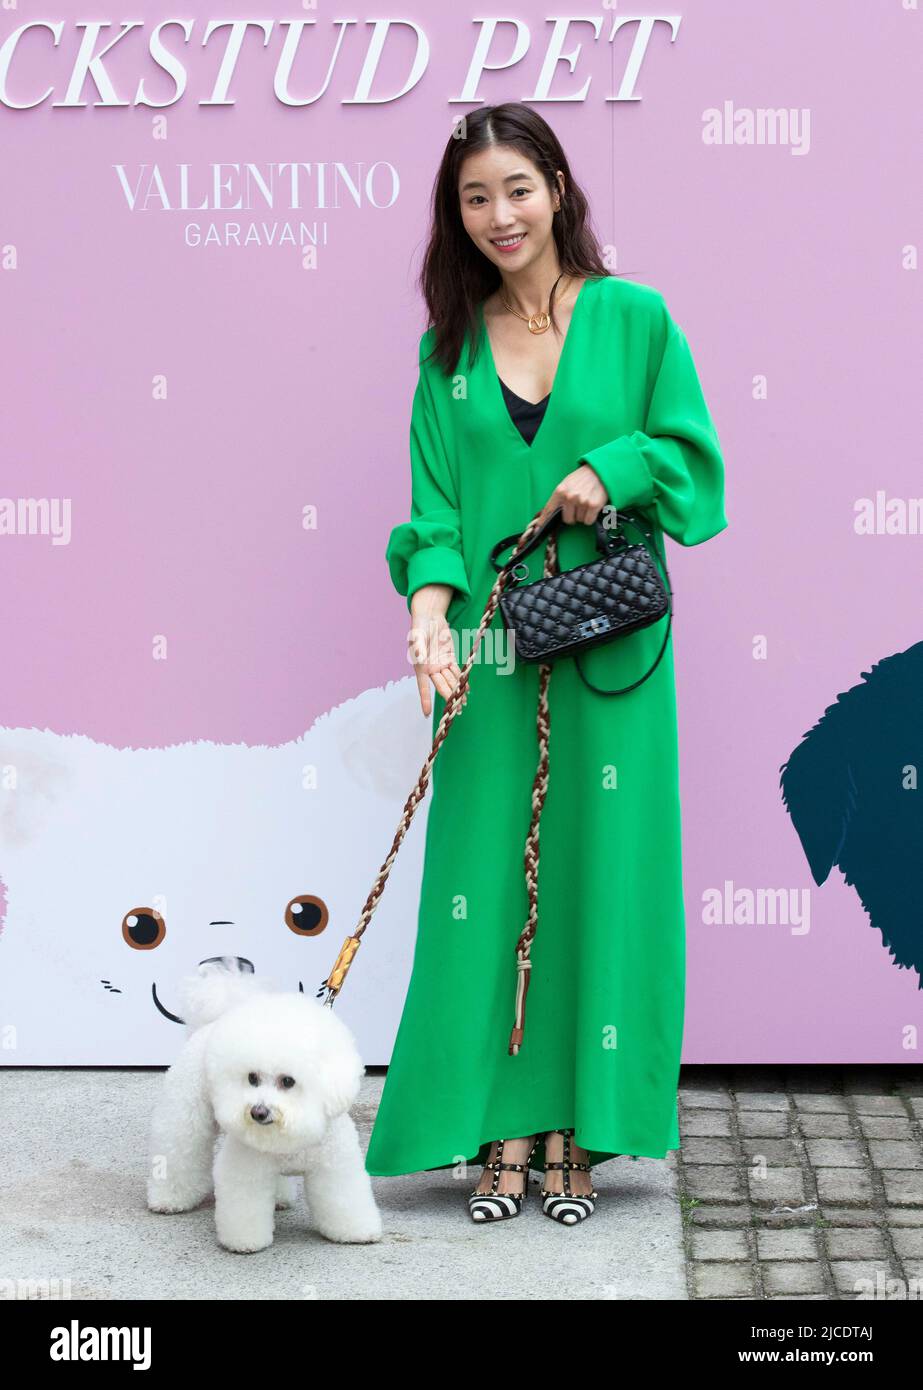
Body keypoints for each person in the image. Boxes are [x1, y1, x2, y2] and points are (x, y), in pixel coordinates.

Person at [364, 102, 728, 1226]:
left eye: (516, 188)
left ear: (558, 188)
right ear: (455, 215)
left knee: (599, 873)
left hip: (612, 655)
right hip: (487, 656)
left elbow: (693, 464)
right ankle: (497, 1129)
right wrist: (428, 616)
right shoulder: (450, 351)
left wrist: (608, 466)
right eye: (474, 197)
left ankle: (578, 1129)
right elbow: (431, 511)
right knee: (477, 887)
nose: (498, 214)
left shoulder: (633, 318)